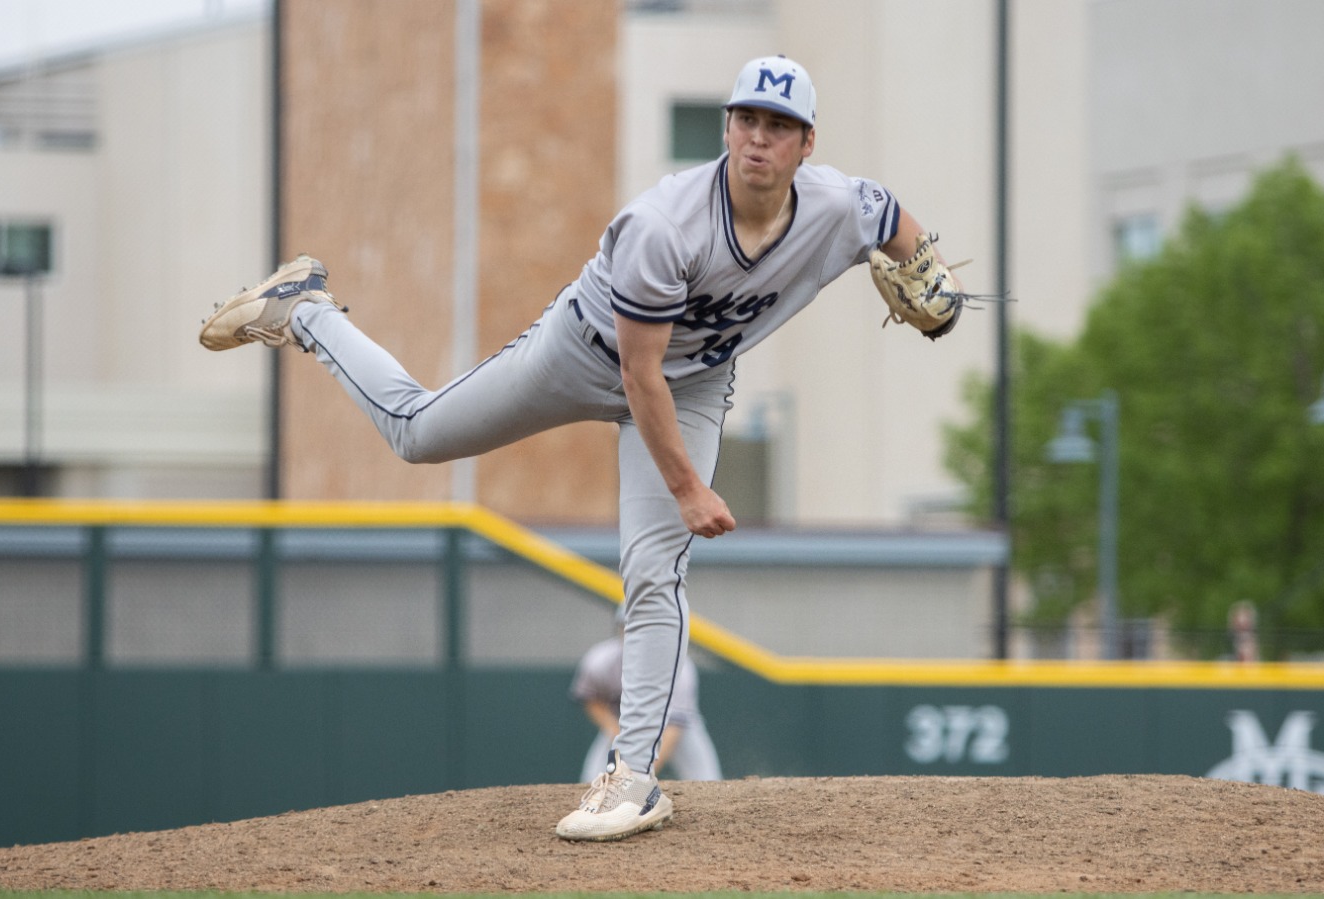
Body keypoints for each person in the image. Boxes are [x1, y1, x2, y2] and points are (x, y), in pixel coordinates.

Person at [200, 54, 962, 842]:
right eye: (746, 121)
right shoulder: (665, 226)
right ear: (727, 127)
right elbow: (639, 376)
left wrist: (926, 276)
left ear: (807, 144)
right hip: (587, 353)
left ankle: (632, 780)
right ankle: (307, 312)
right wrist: (689, 490)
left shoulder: (837, 202)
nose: (758, 139)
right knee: (419, 434)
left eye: (779, 126)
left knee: (653, 568)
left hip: (695, 381)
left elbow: (891, 216)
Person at [571, 606, 723, 784]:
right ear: (620, 629)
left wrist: (640, 776)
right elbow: (592, 699)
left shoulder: (678, 666)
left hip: (674, 726)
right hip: (625, 723)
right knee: (592, 779)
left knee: (708, 780)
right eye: (630, 626)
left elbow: (673, 730)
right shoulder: (600, 660)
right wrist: (613, 728)